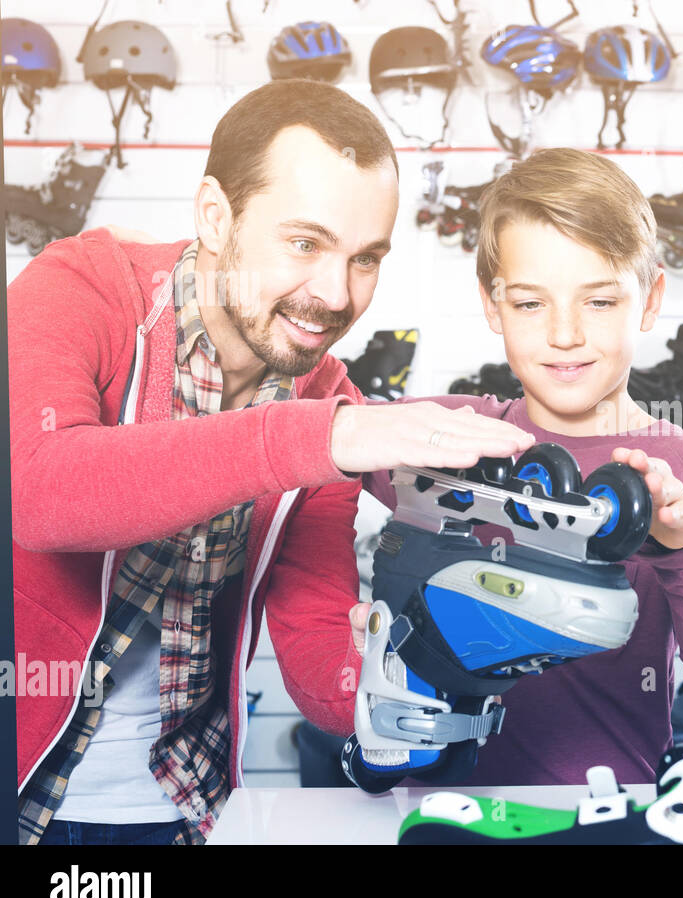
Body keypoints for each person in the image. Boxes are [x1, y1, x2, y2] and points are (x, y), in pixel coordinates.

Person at [9, 78, 535, 845]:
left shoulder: (330, 401)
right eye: (304, 243)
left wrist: (400, 675)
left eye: (366, 258)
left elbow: (314, 634)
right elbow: (41, 489)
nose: (335, 292)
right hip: (28, 797)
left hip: (182, 807)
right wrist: (319, 438)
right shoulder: (80, 289)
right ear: (216, 217)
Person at [366, 147, 683, 784]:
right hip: (427, 808)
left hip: (595, 814)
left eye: (599, 302)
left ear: (650, 299)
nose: (564, 333)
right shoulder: (451, 433)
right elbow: (319, 424)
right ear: (493, 304)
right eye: (531, 303)